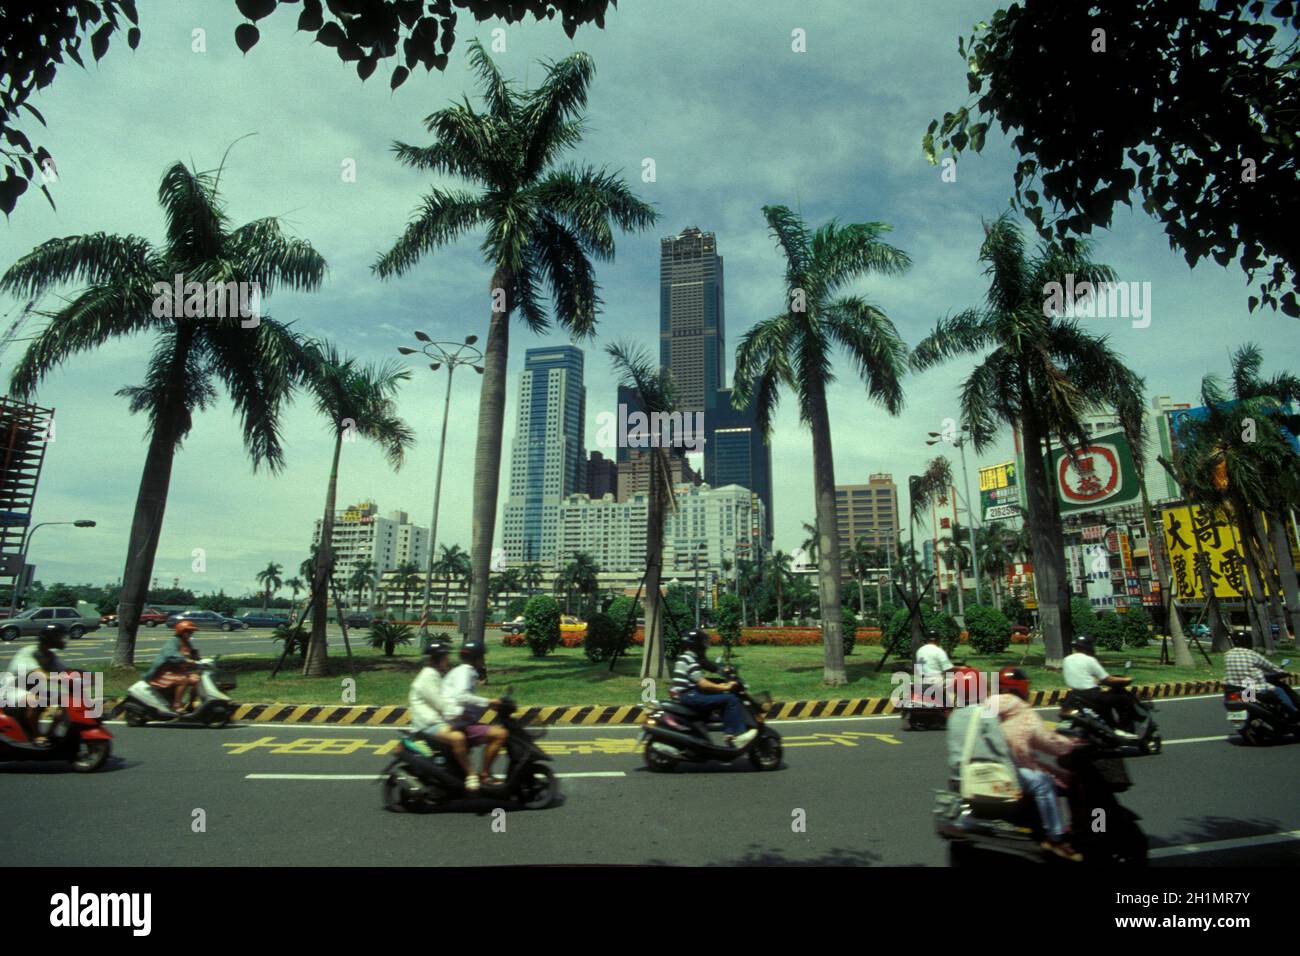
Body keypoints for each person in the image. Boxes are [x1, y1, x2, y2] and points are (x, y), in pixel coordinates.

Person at [988, 669, 1082, 861]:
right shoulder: (1021, 710)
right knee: (1050, 782)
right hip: (1013, 770)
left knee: (1049, 773)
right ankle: (1055, 837)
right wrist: (1072, 744)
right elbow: (1049, 741)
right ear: (1022, 687)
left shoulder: (984, 706)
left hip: (989, 769)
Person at [670, 628, 757, 749]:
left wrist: (722, 672)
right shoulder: (689, 659)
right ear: (697, 644)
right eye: (703, 642)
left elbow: (708, 665)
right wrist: (723, 687)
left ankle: (729, 733)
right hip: (690, 695)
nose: (705, 646)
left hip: (688, 694)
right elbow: (702, 683)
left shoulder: (688, 658)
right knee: (730, 700)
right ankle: (737, 735)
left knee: (721, 698)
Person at [440, 639, 509, 790]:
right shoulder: (466, 672)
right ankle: (485, 774)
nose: (484, 660)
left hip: (457, 720)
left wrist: (489, 706)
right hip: (457, 724)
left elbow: (466, 701)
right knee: (501, 734)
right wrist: (488, 702)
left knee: (492, 729)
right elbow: (461, 697)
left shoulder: (460, 671)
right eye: (482, 656)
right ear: (475, 658)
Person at [406, 638, 475, 785]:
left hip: (435, 721)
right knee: (458, 738)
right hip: (427, 724)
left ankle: (455, 771)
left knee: (466, 731)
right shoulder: (428, 677)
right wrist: (461, 712)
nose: (448, 660)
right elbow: (441, 704)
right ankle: (471, 776)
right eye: (445, 657)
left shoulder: (434, 674)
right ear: (438, 658)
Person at [3, 623, 69, 744]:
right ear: (51, 638)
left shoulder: (50, 656)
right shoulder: (28, 653)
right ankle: (36, 735)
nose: (64, 640)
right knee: (36, 700)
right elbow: (39, 674)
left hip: (30, 690)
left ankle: (49, 734)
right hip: (10, 691)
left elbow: (65, 672)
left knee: (66, 700)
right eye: (60, 637)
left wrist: (82, 677)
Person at [1061, 635, 1139, 737]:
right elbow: (1107, 679)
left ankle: (1107, 725)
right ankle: (1125, 729)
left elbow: (1080, 675)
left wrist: (1094, 681)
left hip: (1074, 695)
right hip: (1092, 695)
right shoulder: (1089, 660)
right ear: (1088, 646)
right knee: (1124, 699)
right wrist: (1127, 680)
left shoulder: (1067, 659)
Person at [1224, 628, 1297, 716]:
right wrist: (1283, 671)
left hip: (1233, 688)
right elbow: (1270, 667)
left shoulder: (1227, 654)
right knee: (1279, 690)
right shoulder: (1252, 654)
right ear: (1248, 642)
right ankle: (1294, 713)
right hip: (1251, 688)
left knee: (1251, 698)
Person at [144, 620, 202, 714]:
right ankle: (177, 705)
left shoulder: (187, 642)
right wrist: (185, 659)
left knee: (198, 680)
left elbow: (193, 655)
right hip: (164, 673)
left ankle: (190, 705)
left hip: (179, 672)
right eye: (188, 632)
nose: (190, 634)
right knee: (183, 679)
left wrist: (197, 658)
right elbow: (170, 654)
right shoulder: (173, 641)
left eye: (191, 632)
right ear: (182, 631)